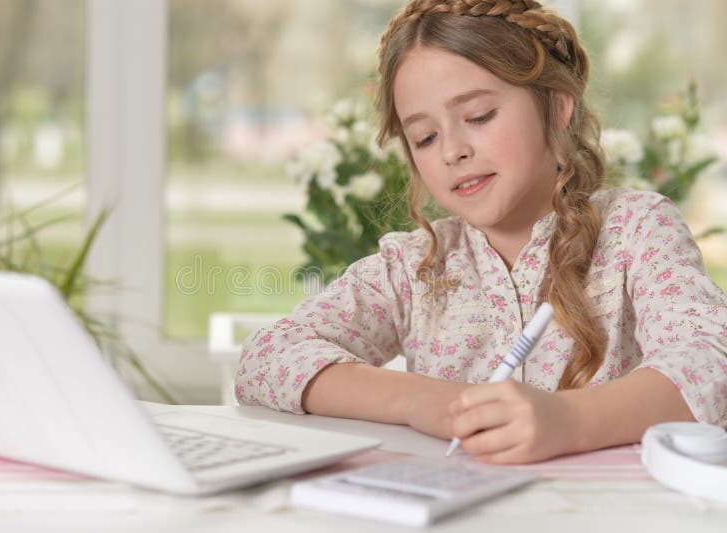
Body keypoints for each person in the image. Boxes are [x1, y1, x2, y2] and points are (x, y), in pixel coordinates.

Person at [235, 0, 727, 464]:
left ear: (556, 109)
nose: (451, 151)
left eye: (478, 116)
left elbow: (711, 361)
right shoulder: (413, 267)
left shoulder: (637, 230)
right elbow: (267, 358)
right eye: (425, 137)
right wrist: (427, 403)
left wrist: (570, 420)